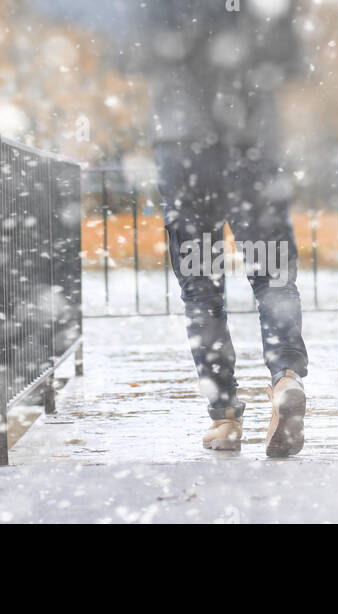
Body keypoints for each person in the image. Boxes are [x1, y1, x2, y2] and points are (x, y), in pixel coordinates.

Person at [141, 0, 309, 456]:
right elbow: (291, 62)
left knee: (201, 289)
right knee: (274, 277)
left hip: (185, 151)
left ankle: (226, 417)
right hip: (252, 147)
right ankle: (286, 376)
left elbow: (138, 54)